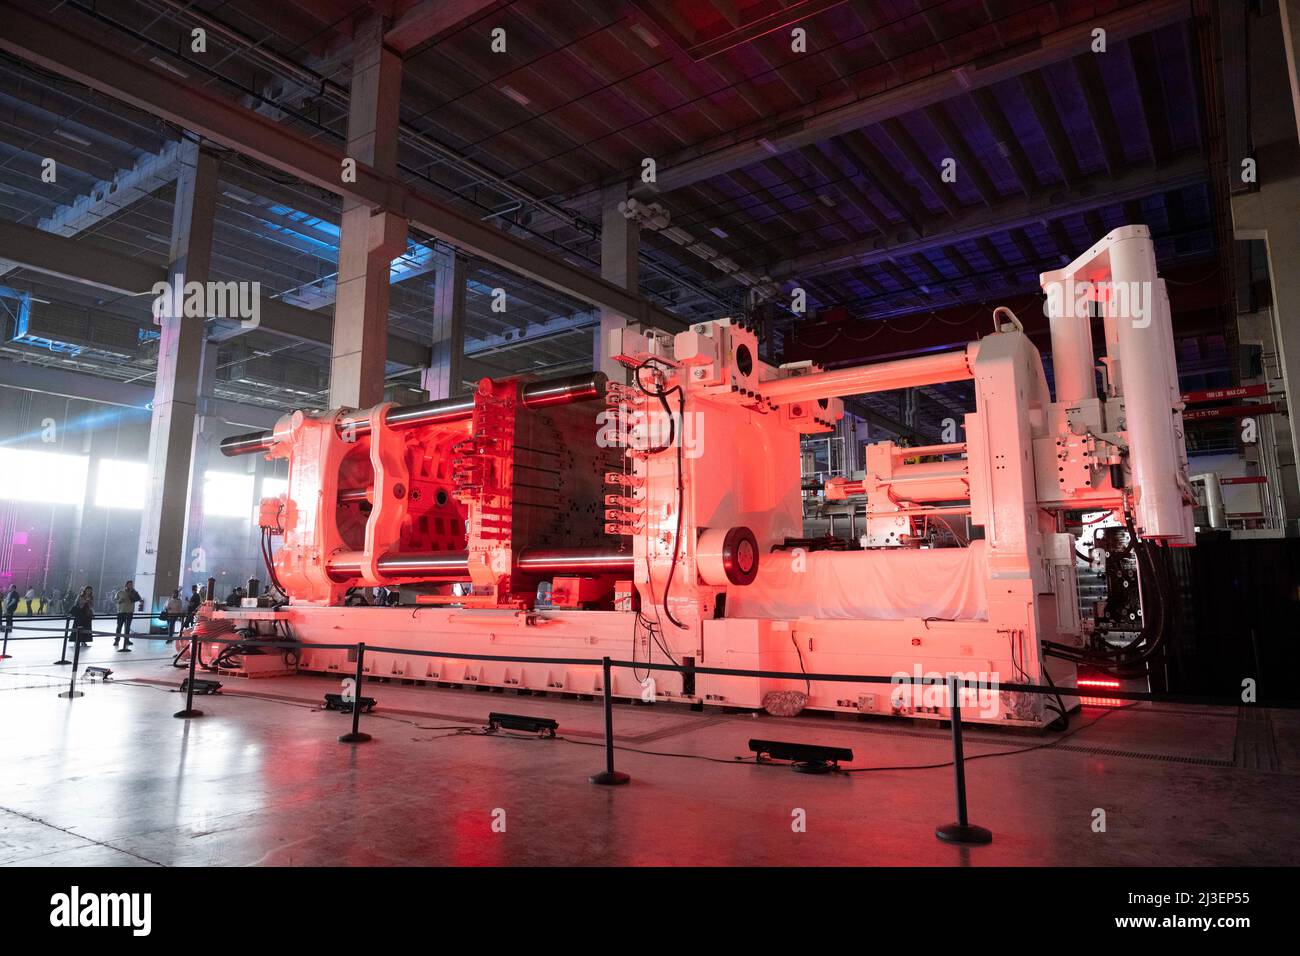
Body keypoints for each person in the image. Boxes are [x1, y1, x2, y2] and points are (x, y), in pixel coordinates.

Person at [115, 579, 143, 651]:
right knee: (119, 626)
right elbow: (115, 600)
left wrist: (134, 596)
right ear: (126, 585)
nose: (131, 586)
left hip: (129, 612)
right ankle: (117, 640)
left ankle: (126, 640)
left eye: (132, 585)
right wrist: (119, 601)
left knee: (127, 627)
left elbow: (139, 599)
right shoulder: (120, 592)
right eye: (129, 584)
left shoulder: (134, 592)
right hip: (121, 612)